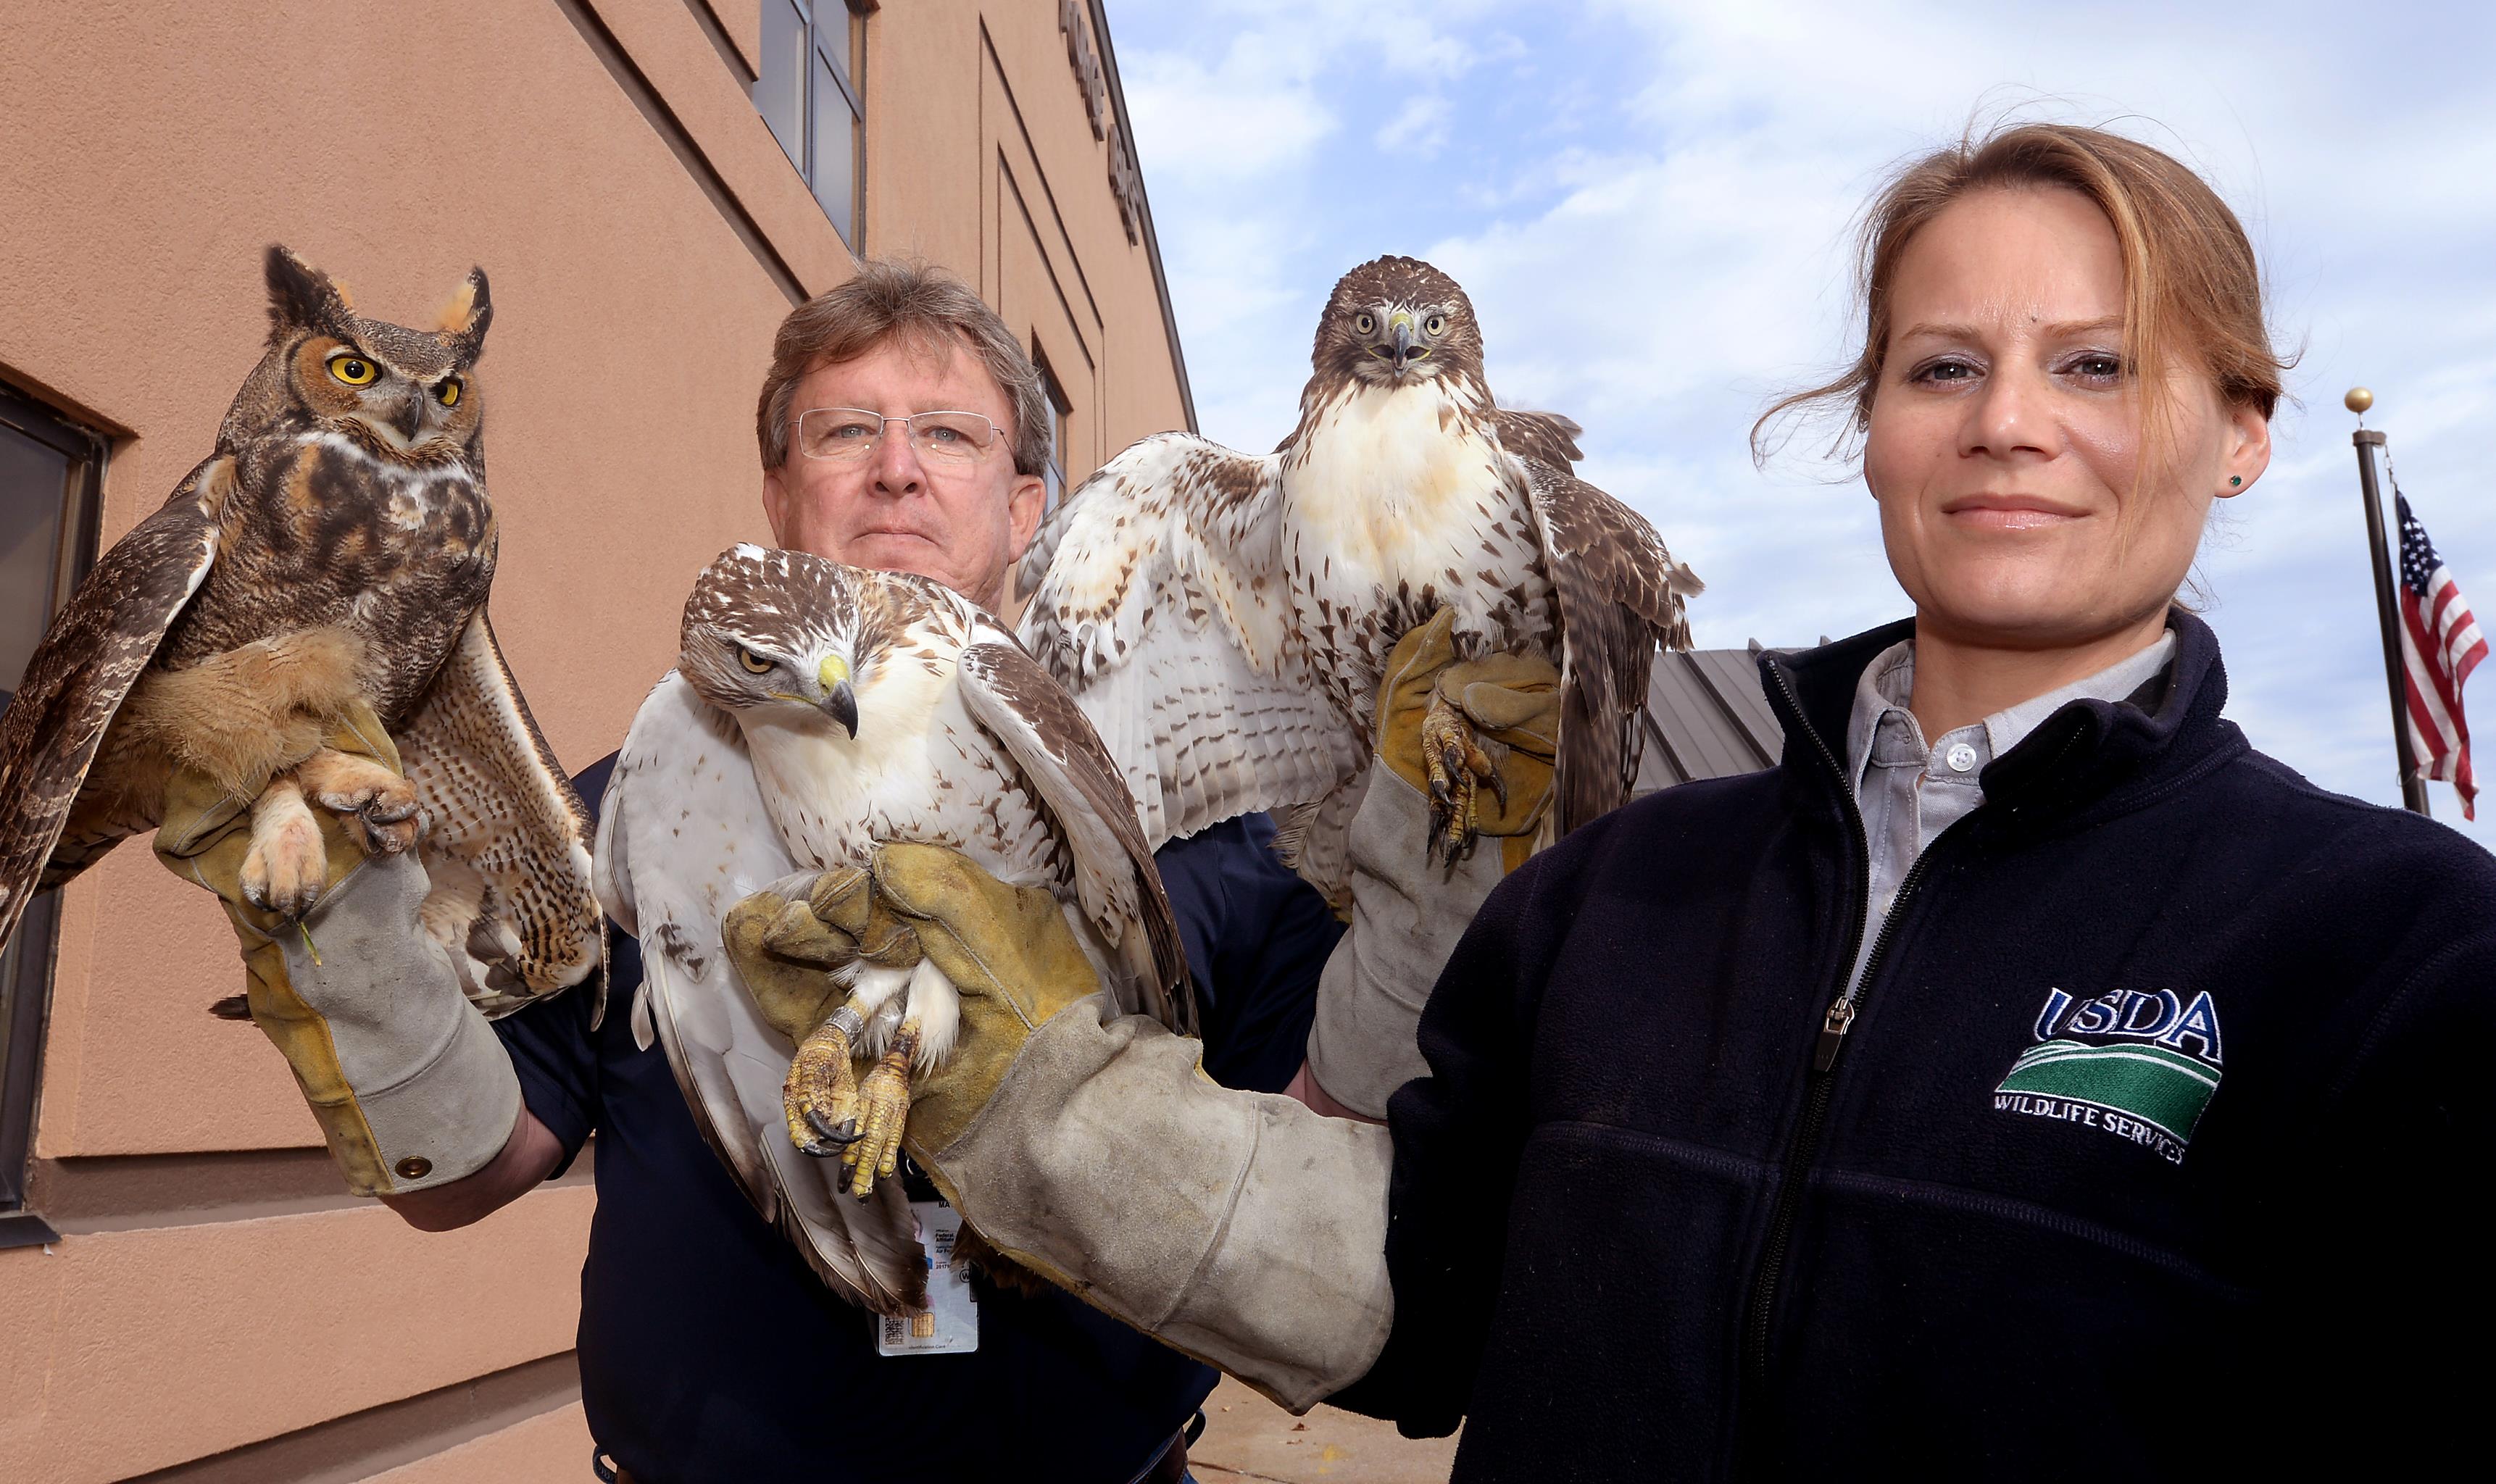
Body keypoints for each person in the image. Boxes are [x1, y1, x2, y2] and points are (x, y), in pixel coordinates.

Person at [768, 123, 2496, 1478]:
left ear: (2245, 425)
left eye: (2097, 365)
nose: (2010, 427)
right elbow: (1407, 1294)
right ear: (1873, 423)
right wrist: (1043, 1107)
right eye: (1944, 366)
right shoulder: (1623, 894)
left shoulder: (2396, 956)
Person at [159, 261, 1444, 1483]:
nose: (895, 472)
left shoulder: (1198, 810)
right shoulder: (642, 796)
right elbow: (472, 1170)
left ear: (1026, 506)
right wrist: (347, 940)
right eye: (844, 435)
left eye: (949, 435)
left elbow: (1323, 1152)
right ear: (778, 495)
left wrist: (1429, 887)